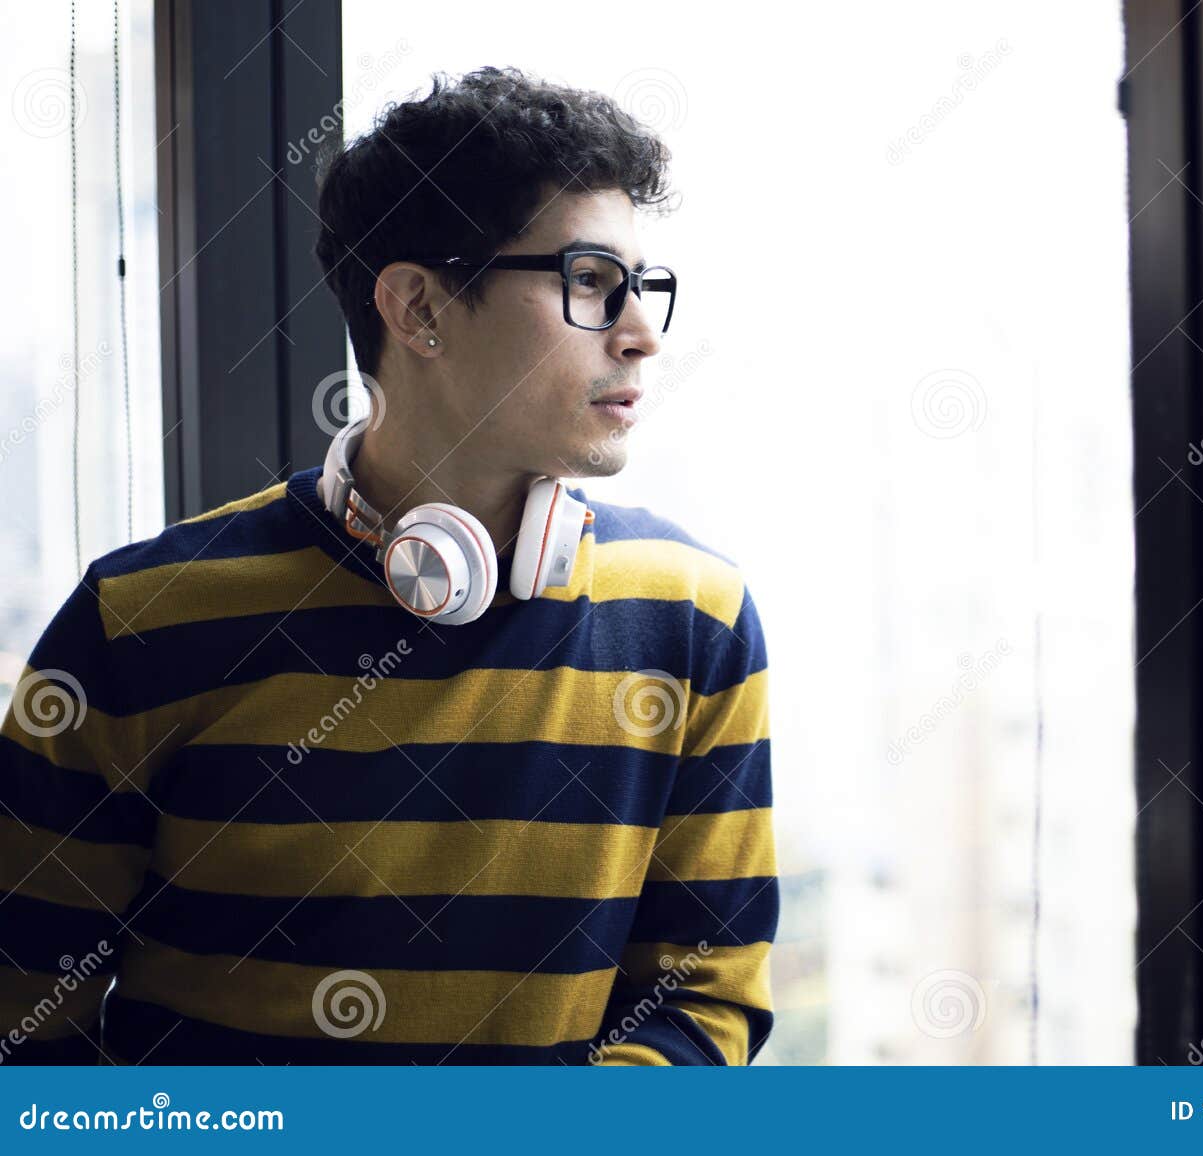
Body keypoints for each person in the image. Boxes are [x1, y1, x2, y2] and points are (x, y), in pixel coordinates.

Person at [0, 66, 776, 1065]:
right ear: (418, 308)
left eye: (643, 287)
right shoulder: (138, 620)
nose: (641, 335)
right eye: (589, 281)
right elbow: (25, 1026)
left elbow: (707, 993)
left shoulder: (693, 619)